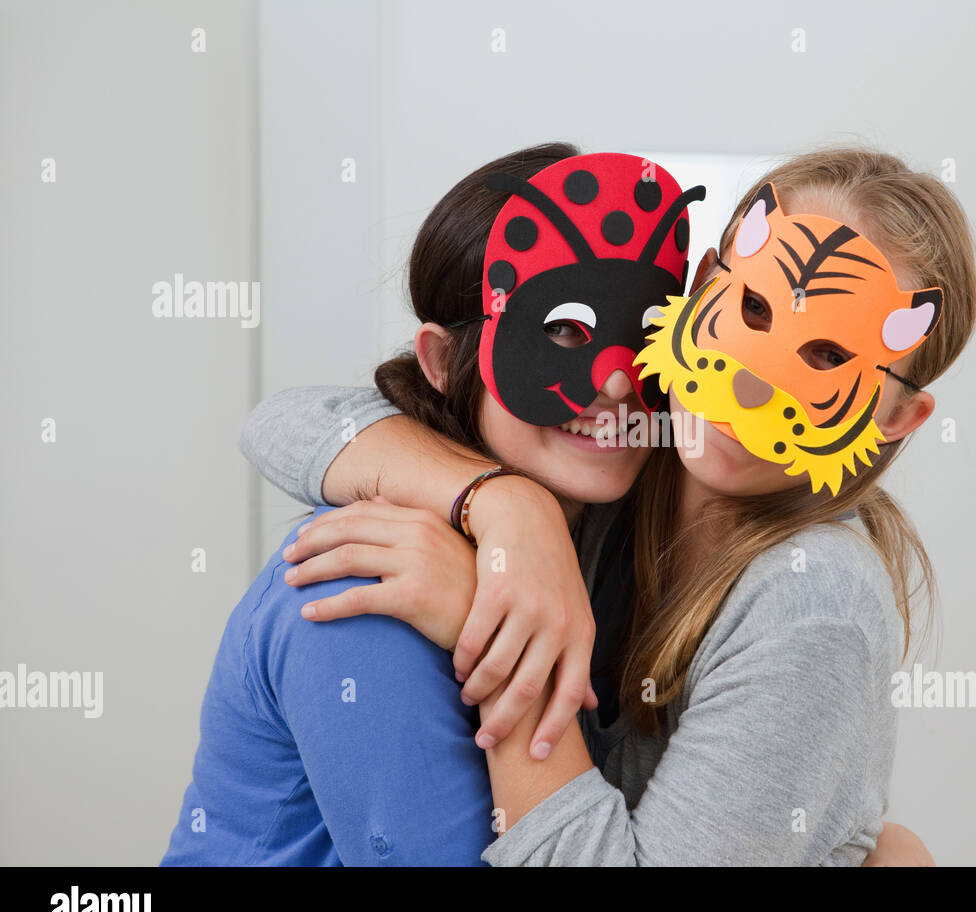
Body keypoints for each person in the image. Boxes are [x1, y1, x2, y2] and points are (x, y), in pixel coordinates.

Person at [242, 146, 976, 864]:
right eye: (751, 306)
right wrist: (508, 509)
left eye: (824, 356)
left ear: (897, 419)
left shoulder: (814, 601)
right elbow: (283, 422)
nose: (756, 381)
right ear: (700, 290)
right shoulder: (622, 463)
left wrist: (490, 622)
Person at [162, 142, 690, 864]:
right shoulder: (361, 590)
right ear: (441, 361)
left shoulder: (633, 543)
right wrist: (505, 505)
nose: (618, 384)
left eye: (646, 330)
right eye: (564, 329)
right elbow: (275, 418)